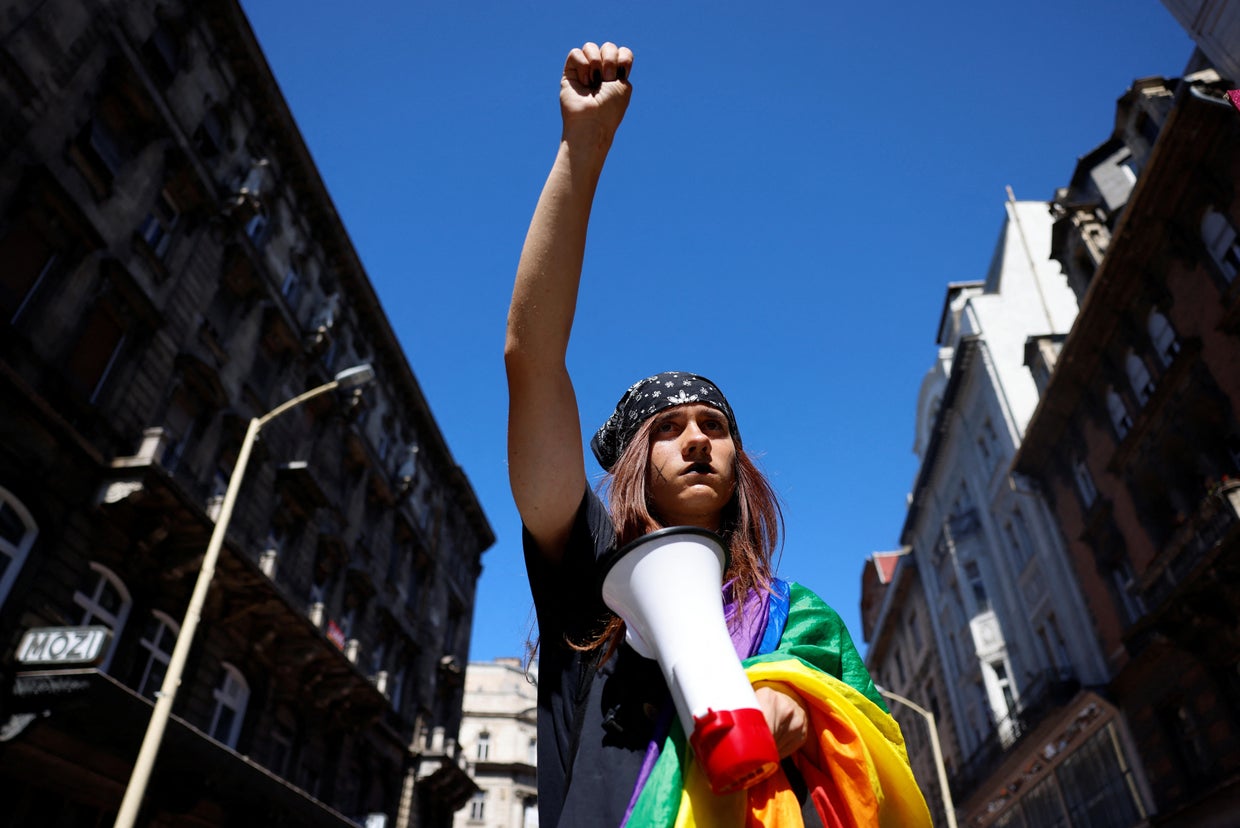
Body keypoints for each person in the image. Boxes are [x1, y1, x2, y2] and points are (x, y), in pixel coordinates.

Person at [506, 42, 930, 828]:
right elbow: (531, 361)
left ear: (740, 461)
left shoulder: (799, 619)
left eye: (715, 426)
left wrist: (796, 704)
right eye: (668, 430)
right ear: (635, 464)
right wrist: (582, 151)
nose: (698, 439)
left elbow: (880, 754)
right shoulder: (590, 588)